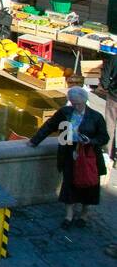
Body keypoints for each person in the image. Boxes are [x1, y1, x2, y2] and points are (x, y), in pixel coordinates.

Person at [29, 85, 109, 229]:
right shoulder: (65, 112)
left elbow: (104, 137)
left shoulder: (96, 117)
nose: (75, 106)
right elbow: (50, 126)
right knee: (69, 184)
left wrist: (90, 141)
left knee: (89, 186)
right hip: (69, 153)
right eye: (73, 103)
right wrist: (35, 140)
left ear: (84, 101)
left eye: (78, 103)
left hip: (89, 155)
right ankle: (69, 215)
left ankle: (84, 215)